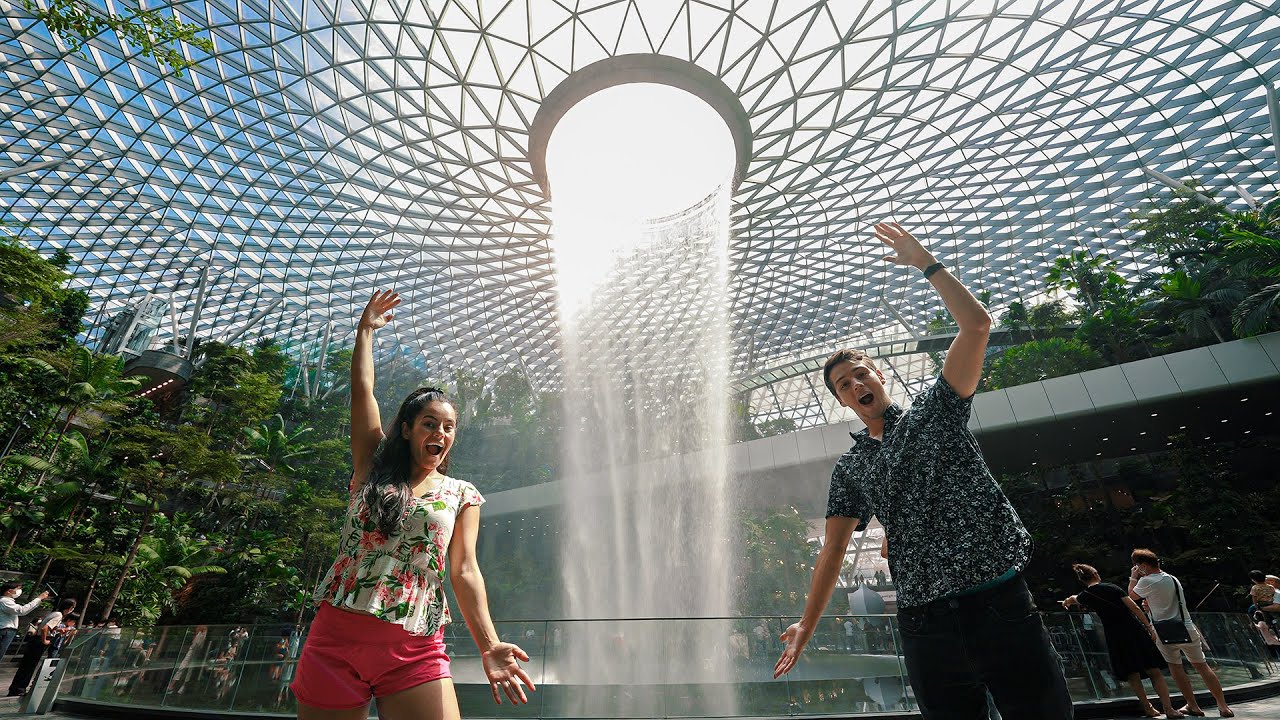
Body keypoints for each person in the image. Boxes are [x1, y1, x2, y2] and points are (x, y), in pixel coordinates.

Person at [773, 221, 1072, 720]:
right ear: (841, 400)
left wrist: (925, 264)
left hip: (997, 600)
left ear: (880, 376)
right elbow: (833, 550)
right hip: (924, 623)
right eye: (844, 384)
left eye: (860, 374)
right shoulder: (852, 467)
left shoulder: (938, 411)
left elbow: (976, 325)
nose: (855, 385)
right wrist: (807, 624)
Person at [290, 290, 534, 720]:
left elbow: (463, 570)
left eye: (449, 427)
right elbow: (362, 390)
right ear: (406, 429)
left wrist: (489, 644)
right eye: (429, 423)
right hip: (335, 643)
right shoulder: (372, 466)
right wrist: (365, 331)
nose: (441, 432)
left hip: (415, 648)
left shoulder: (462, 494)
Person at [1061, 563, 1182, 718]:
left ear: (1082, 580)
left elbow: (1073, 599)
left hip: (1115, 636)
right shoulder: (1112, 588)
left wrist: (1066, 601)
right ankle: (1169, 708)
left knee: (1132, 673)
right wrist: (1149, 627)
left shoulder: (1086, 595)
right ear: (1096, 574)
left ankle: (1148, 707)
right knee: (1154, 670)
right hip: (1134, 630)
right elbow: (1135, 608)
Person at [1129, 549, 1233, 718]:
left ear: (1143, 565)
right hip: (1186, 627)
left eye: (1137, 566)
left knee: (1176, 668)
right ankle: (1223, 706)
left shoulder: (1147, 580)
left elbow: (1132, 597)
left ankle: (1193, 705)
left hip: (1164, 631)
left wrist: (1134, 577)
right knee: (1202, 666)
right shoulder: (1172, 578)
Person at [7, 598, 75, 696]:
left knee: (27, 665)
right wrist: (44, 640)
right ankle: (19, 689)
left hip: (36, 640)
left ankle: (16, 688)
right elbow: (44, 628)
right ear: (68, 607)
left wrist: (59, 630)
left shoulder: (55, 613)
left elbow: (50, 627)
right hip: (39, 641)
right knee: (29, 666)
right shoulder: (58, 615)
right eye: (72, 607)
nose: (72, 610)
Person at [0, 582, 48, 661]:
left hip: (7, 631)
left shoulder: (7, 601)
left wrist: (40, 600)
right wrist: (38, 598)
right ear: (9, 591)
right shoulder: (4, 601)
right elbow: (22, 610)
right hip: (5, 631)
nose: (19, 591)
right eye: (18, 589)